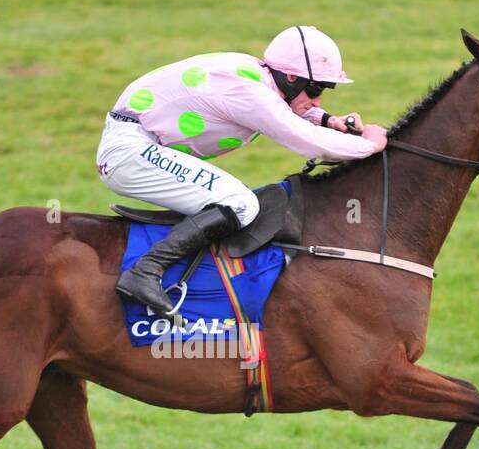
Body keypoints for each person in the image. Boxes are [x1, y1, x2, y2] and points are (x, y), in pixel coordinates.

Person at [97, 26, 389, 316]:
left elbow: (286, 110)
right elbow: (306, 141)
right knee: (239, 203)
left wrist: (327, 121)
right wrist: (370, 146)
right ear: (290, 77)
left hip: (136, 144)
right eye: (314, 89)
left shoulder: (258, 78)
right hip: (130, 152)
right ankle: (145, 271)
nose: (317, 100)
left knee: (235, 200)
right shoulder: (248, 92)